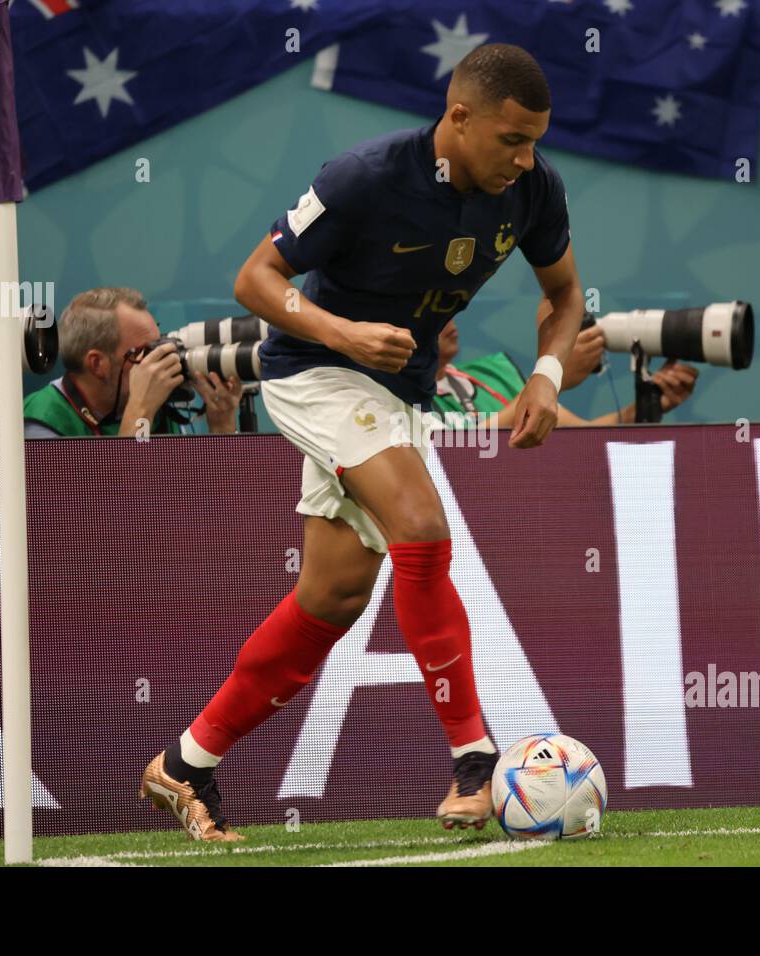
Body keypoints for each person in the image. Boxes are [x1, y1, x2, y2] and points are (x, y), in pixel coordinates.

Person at [140, 43, 583, 841]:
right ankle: (475, 762)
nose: (525, 159)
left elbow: (563, 293)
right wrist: (341, 332)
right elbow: (255, 280)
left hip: (397, 395)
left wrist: (547, 376)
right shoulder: (363, 177)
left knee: (332, 597)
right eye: (510, 140)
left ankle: (185, 763)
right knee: (419, 520)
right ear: (459, 116)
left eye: (534, 142)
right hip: (314, 373)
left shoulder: (533, 189)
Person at [22, 287, 241, 437]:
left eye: (160, 345)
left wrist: (221, 427)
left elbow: (202, 498)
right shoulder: (43, 420)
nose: (161, 361)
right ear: (97, 364)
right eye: (145, 352)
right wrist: (141, 408)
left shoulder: (161, 409)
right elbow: (116, 500)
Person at [433, 310, 698, 425]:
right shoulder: (399, 394)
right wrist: (551, 375)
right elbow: (449, 457)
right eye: (435, 312)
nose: (450, 319)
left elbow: (582, 435)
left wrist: (639, 409)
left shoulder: (490, 372)